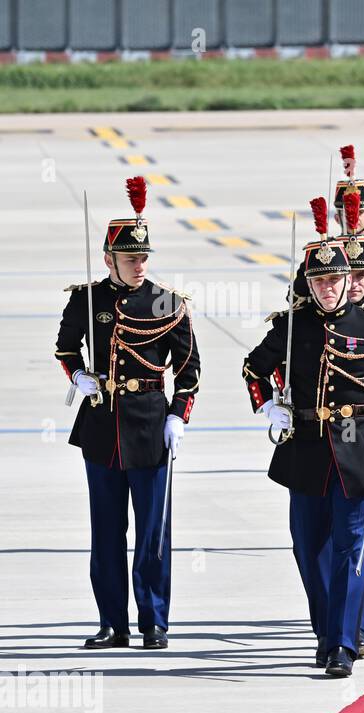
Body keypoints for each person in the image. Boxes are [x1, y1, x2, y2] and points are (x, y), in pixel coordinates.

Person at [242, 197, 364, 677]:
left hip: (358, 446)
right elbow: (254, 367)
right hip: (306, 445)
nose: (325, 290)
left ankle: (342, 642)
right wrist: (267, 405)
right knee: (307, 543)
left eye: (333, 281)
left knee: (350, 543)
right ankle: (327, 629)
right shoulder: (293, 326)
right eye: (317, 281)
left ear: (347, 282)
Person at [56, 177, 201, 650]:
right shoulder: (87, 299)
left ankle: (154, 620)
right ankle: (112, 621)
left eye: (144, 258)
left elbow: (189, 369)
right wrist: (78, 376)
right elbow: (64, 348)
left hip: (148, 424)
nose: (139, 265)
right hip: (101, 425)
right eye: (130, 258)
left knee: (153, 531)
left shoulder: (166, 302)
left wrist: (177, 415)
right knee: (106, 530)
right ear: (109, 259)